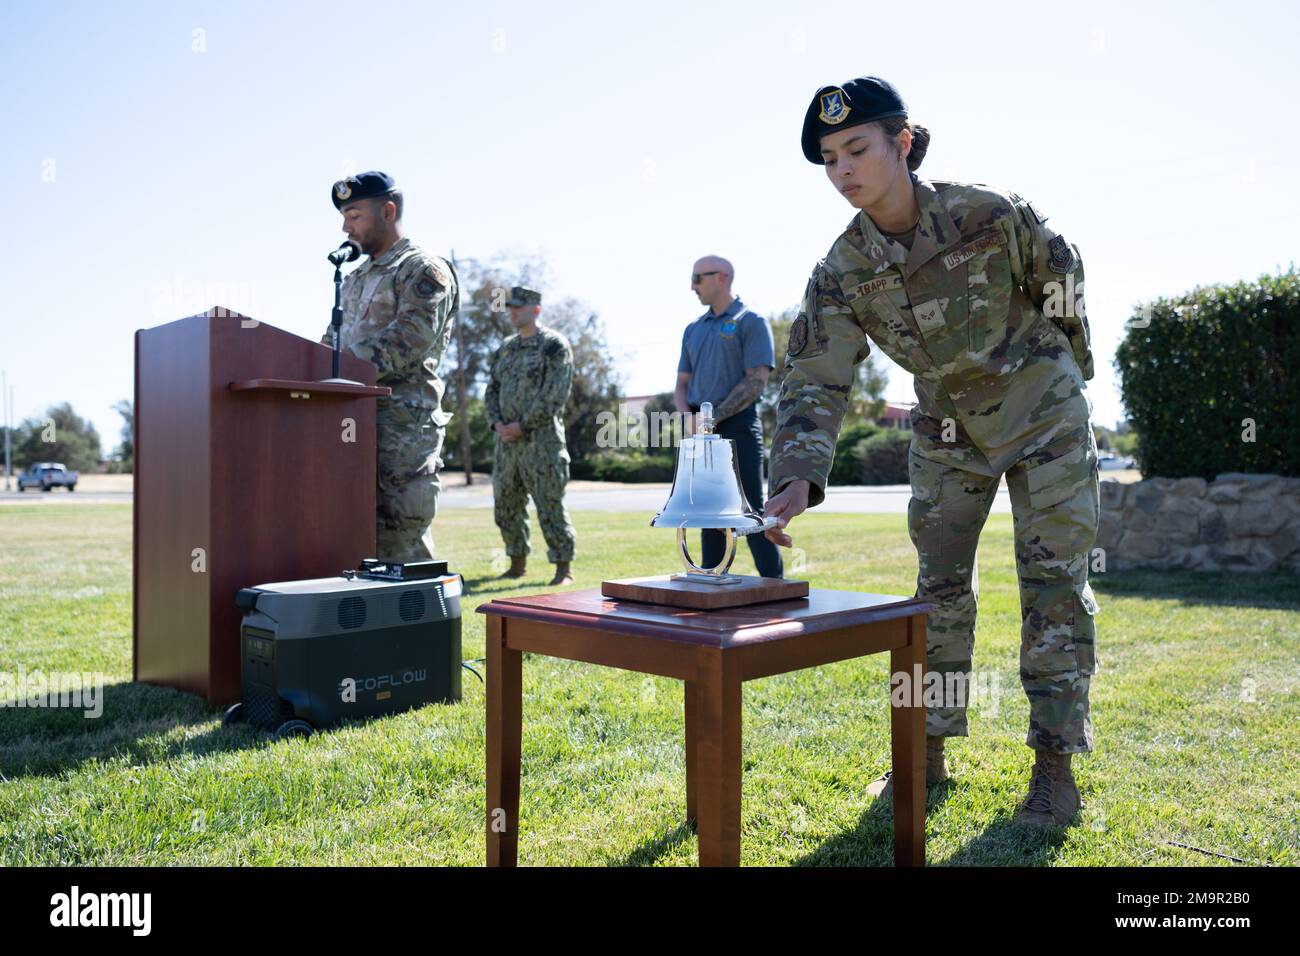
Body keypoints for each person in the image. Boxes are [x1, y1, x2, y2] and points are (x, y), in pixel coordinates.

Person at [764, 77, 1099, 828]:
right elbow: (816, 378)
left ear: (904, 142)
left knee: (1053, 584)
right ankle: (927, 753)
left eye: (857, 148)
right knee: (935, 595)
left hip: (1042, 415)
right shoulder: (842, 270)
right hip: (947, 431)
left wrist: (1066, 374)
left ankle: (1054, 769)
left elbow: (1061, 278)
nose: (843, 169)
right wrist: (794, 476)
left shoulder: (989, 212)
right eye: (828, 157)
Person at [320, 171, 459, 561]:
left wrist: (337, 370)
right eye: (344, 217)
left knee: (401, 544)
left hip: (401, 430)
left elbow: (406, 343)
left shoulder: (422, 270)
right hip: (349, 425)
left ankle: (423, 620)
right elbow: (330, 341)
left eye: (354, 215)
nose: (346, 226)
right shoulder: (353, 280)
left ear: (388, 210)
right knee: (354, 541)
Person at [675, 256, 784, 579]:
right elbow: (682, 384)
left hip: (737, 426)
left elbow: (756, 380)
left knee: (749, 512)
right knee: (707, 514)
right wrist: (688, 418)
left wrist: (712, 418)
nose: (692, 286)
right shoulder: (693, 328)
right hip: (699, 430)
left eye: (697, 278)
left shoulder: (750, 321)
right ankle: (712, 584)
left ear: (721, 278)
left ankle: (775, 589)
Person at [484, 287, 577, 586]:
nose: (512, 312)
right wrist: (497, 423)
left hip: (542, 442)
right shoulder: (505, 348)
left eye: (519, 307)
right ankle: (516, 564)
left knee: (550, 505)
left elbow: (555, 394)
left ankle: (563, 569)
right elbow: (491, 389)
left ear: (535, 310)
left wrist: (523, 425)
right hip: (507, 445)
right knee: (506, 506)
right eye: (509, 307)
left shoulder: (553, 346)